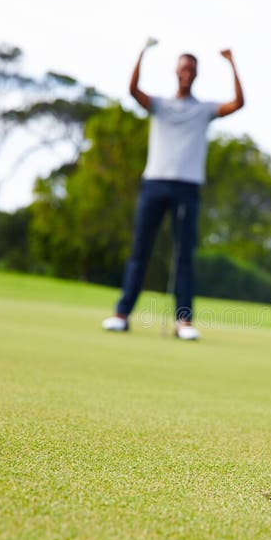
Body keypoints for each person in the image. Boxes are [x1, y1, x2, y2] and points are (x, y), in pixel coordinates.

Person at [102, 45, 244, 339]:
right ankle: (122, 313)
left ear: (196, 74)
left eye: (191, 69)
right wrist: (141, 53)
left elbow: (238, 103)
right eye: (183, 68)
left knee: (184, 257)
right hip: (155, 182)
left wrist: (231, 63)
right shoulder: (160, 105)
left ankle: (184, 322)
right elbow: (132, 90)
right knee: (140, 251)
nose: (186, 73)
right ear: (176, 71)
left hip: (188, 187)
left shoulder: (204, 109)